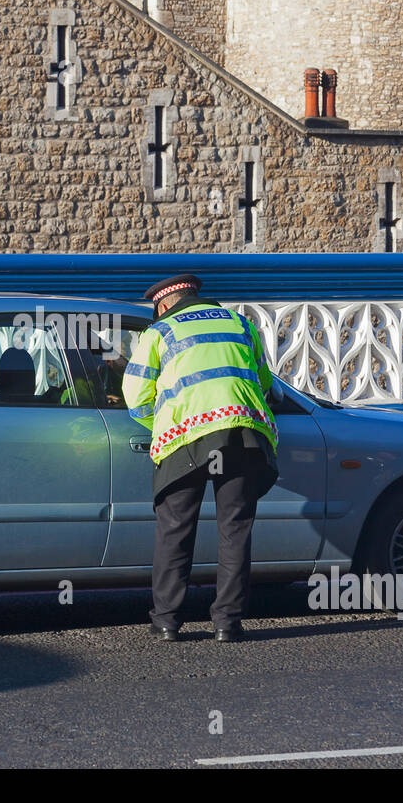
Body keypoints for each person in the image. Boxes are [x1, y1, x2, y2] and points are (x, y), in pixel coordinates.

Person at [122, 274, 279, 643]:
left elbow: (135, 393)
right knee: (235, 529)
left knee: (176, 529)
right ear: (196, 297)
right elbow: (264, 381)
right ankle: (228, 623)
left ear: (163, 305)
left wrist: (159, 422)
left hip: (186, 438)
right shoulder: (240, 322)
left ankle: (167, 622)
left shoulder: (160, 332)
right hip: (243, 432)